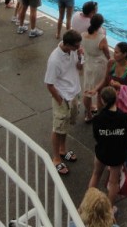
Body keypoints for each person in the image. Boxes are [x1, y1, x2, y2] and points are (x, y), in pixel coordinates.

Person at [88, 86, 127, 211]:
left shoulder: (98, 119)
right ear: (116, 98)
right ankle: (109, 211)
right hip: (117, 155)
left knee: (96, 175)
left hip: (102, 152)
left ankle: (88, 205)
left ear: (102, 100)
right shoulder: (124, 117)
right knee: (114, 182)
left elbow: (97, 137)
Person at [44, 30, 84, 176]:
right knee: (58, 127)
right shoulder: (54, 60)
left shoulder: (73, 51)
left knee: (65, 125)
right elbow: (49, 84)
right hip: (62, 97)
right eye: (76, 46)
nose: (78, 48)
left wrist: (79, 57)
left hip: (73, 94)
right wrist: (60, 101)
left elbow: (79, 68)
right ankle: (56, 158)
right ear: (67, 44)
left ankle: (62, 149)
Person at [82, 14, 110, 122]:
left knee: (87, 91)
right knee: (100, 92)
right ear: (100, 25)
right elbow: (107, 54)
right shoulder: (101, 38)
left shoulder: (83, 35)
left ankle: (88, 115)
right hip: (99, 66)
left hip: (88, 65)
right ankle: (100, 115)